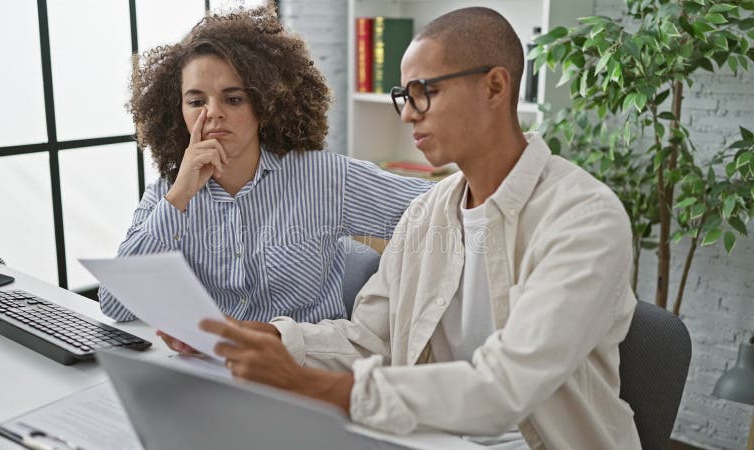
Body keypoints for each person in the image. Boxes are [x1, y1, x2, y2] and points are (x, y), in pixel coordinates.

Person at [199, 7, 643, 449]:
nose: (408, 114)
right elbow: (370, 339)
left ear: (494, 86)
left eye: (423, 92)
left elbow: (504, 388)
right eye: (403, 96)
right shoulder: (425, 214)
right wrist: (274, 338)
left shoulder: (583, 218)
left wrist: (309, 385)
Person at [98, 7, 432, 340]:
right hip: (213, 370)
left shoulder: (325, 176)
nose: (213, 113)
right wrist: (177, 199)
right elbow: (115, 304)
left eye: (233, 99)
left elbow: (441, 206)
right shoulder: (166, 193)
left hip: (303, 370)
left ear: (265, 104)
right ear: (178, 111)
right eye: (197, 101)